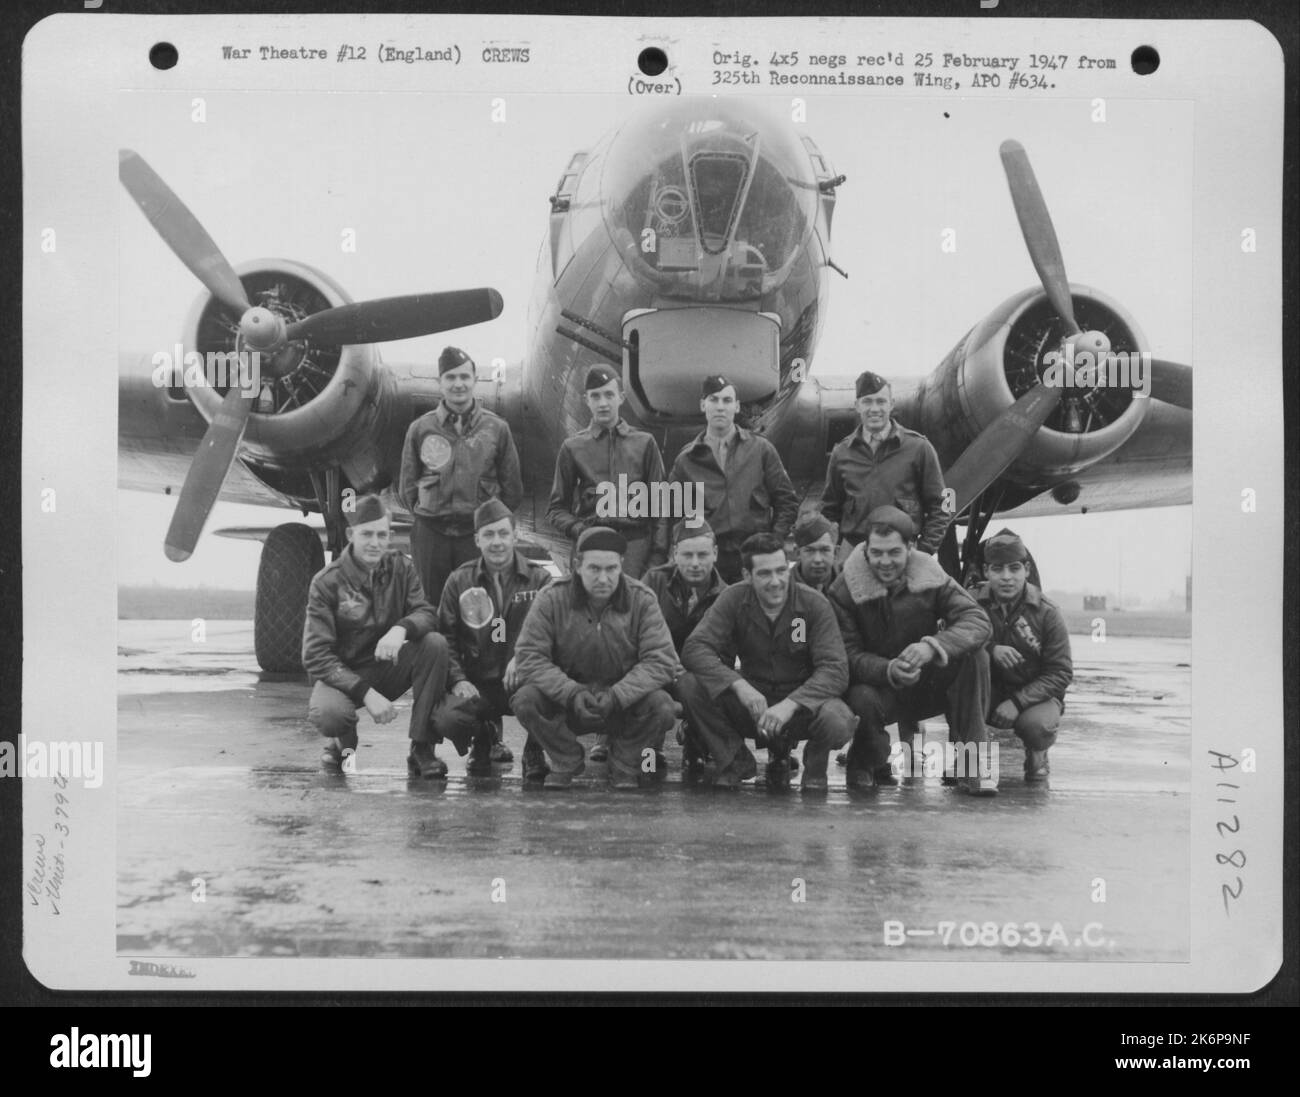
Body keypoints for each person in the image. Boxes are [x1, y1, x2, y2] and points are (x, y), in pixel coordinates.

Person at [827, 506, 996, 794]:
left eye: (894, 552)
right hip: (880, 687)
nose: (884, 561)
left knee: (974, 657)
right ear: (866, 549)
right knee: (860, 696)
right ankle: (866, 761)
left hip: (926, 681)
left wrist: (933, 647)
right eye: (877, 552)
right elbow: (848, 655)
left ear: (911, 547)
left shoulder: (932, 576)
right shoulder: (844, 590)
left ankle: (972, 765)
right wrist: (888, 669)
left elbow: (978, 621)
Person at [679, 532, 854, 791]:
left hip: (800, 706)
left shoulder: (814, 604)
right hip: (753, 706)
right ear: (747, 575)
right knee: (689, 685)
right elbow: (695, 648)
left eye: (781, 571)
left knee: (838, 719)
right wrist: (739, 686)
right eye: (764, 574)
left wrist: (792, 704)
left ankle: (815, 767)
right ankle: (734, 759)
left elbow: (835, 669)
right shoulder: (733, 599)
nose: (776, 581)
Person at [511, 526, 678, 789]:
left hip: (621, 704)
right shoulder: (551, 598)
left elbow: (662, 660)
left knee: (663, 707)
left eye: (611, 569)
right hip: (568, 704)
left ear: (621, 565)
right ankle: (565, 760)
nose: (603, 578)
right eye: (594, 569)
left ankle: (624, 763)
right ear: (577, 566)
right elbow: (529, 656)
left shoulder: (642, 600)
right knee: (525, 700)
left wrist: (618, 695)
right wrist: (571, 693)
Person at [301, 494, 450, 778]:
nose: (374, 542)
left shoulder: (401, 568)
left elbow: (427, 613)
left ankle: (422, 746)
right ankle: (343, 743)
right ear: (350, 534)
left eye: (382, 534)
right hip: (342, 675)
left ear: (390, 536)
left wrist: (402, 628)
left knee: (435, 644)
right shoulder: (326, 582)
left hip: (387, 667)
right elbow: (315, 655)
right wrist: (366, 694)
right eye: (366, 533)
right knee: (330, 715)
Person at [432, 499, 553, 777]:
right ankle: (483, 737)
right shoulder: (459, 581)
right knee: (448, 717)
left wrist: (524, 656)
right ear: (476, 539)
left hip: (525, 680)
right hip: (479, 684)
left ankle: (535, 747)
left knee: (554, 691)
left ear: (515, 535)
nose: (496, 542)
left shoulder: (541, 580)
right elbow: (445, 638)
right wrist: (458, 679)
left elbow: (554, 634)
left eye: (503, 533)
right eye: (488, 535)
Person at [399, 346, 523, 609]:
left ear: (475, 381)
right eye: (451, 378)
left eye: (465, 377)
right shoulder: (420, 428)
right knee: (429, 610)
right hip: (431, 535)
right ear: (440, 382)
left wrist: (486, 523)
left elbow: (512, 490)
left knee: (480, 612)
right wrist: (429, 515)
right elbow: (406, 489)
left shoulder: (497, 428)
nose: (459, 384)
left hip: (476, 536)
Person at [668, 374, 798, 583]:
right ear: (703, 405)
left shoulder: (761, 450)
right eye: (713, 400)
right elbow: (672, 514)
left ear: (737, 407)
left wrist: (774, 541)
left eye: (727, 400)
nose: (720, 407)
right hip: (710, 565)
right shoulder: (686, 460)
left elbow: (787, 501)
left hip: (754, 560)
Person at [546, 365, 670, 580]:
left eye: (609, 395)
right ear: (587, 400)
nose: (603, 403)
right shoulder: (573, 447)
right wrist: (579, 530)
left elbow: (661, 505)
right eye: (595, 396)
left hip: (636, 549)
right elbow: (556, 509)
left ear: (621, 397)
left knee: (634, 610)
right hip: (591, 546)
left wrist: (657, 558)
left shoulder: (645, 443)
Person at [972, 529, 1073, 782]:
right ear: (986, 571)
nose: (1006, 577)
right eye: (997, 569)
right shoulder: (970, 603)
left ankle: (1037, 754)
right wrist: (990, 648)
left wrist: (1017, 703)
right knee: (957, 697)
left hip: (1033, 697)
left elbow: (1060, 673)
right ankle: (967, 756)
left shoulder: (1048, 613)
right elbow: (952, 643)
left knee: (1037, 725)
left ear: (1027, 569)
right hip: (986, 691)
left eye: (1014, 568)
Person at [821, 371, 950, 555]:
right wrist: (837, 549)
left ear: (892, 404)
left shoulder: (919, 447)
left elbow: (942, 505)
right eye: (867, 401)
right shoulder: (841, 452)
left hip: (903, 550)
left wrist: (925, 549)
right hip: (855, 550)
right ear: (857, 406)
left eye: (881, 401)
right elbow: (829, 509)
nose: (874, 409)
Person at [642, 519, 731, 775]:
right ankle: (648, 749)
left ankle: (697, 742)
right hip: (656, 669)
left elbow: (724, 652)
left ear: (715, 553)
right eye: (687, 554)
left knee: (705, 686)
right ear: (674, 554)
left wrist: (691, 669)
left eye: (702, 554)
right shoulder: (654, 581)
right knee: (651, 703)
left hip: (698, 676)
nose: (694, 563)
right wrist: (666, 664)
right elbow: (638, 631)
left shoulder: (727, 595)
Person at [789, 512, 841, 595]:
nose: (817, 559)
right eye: (810, 551)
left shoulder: (848, 585)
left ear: (835, 552)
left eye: (824, 550)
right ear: (798, 553)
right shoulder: (785, 588)